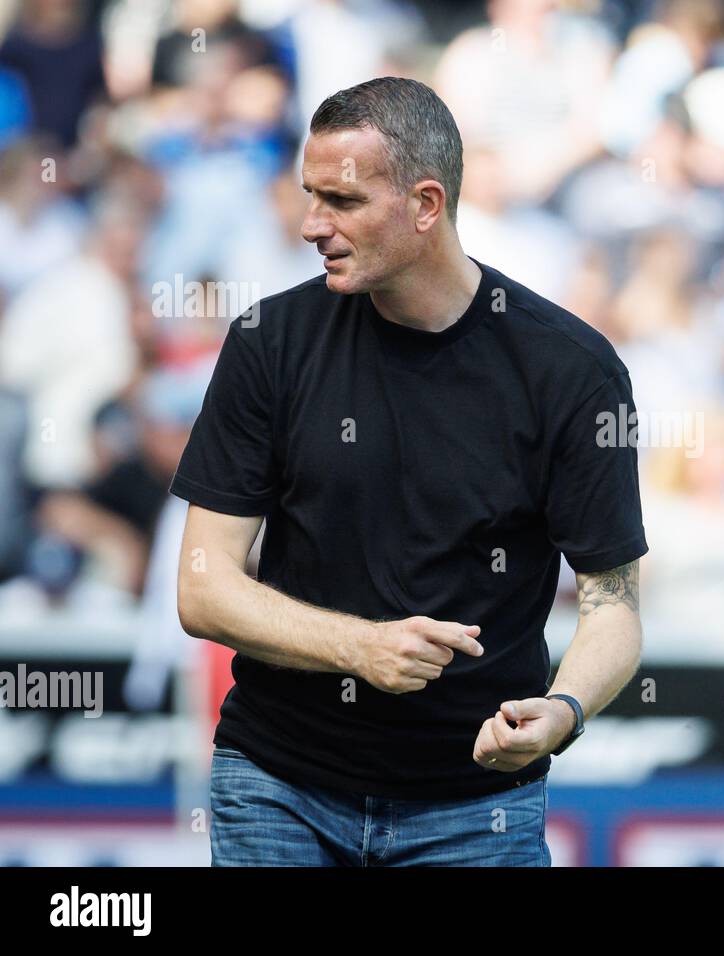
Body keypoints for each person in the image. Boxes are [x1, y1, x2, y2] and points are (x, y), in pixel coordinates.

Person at [171, 77, 648, 866]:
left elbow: (615, 605)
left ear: (427, 205)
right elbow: (201, 585)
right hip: (277, 785)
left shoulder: (571, 370)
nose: (310, 225)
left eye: (342, 201)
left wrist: (564, 710)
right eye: (308, 196)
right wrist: (361, 648)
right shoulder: (270, 340)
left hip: (475, 808)